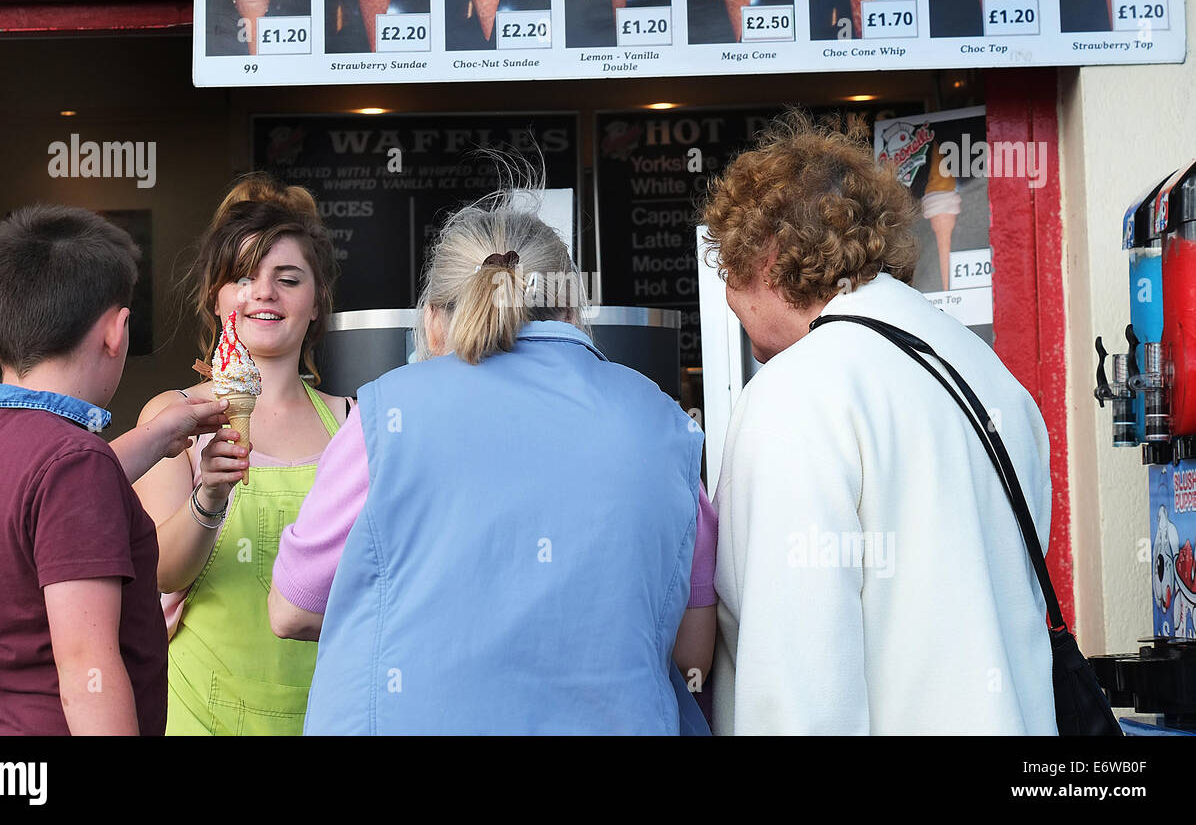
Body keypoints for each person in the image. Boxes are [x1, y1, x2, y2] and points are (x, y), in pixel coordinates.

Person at [268, 184, 718, 734]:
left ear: (433, 317)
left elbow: (291, 611)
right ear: (574, 309)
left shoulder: (384, 416)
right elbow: (694, 650)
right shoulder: (666, 424)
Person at [701, 110, 1057, 734]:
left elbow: (797, 679)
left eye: (729, 265)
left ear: (772, 254)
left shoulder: (797, 390)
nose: (729, 294)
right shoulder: (988, 373)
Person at [0, 204, 227, 735]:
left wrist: (157, 436)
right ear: (117, 331)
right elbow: (87, 668)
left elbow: (47, 509)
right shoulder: (74, 465)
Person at [133, 175, 349, 735]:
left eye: (288, 278)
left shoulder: (354, 422)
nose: (263, 293)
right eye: (242, 277)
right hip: (202, 712)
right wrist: (208, 496)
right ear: (216, 295)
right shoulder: (173, 417)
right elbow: (158, 571)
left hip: (326, 710)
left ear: (317, 298)